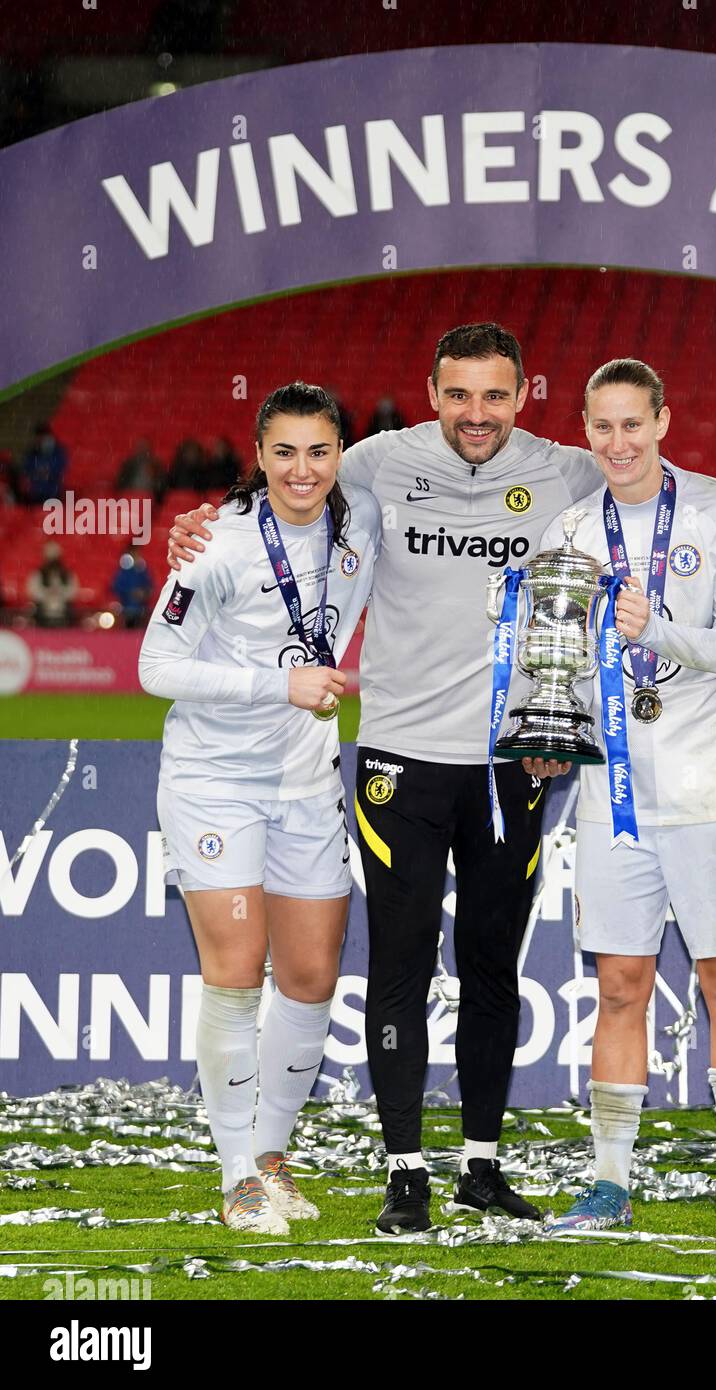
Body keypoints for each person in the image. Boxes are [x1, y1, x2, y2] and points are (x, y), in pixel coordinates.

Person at [166, 324, 601, 1235]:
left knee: (487, 969)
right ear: (431, 391)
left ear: (524, 394)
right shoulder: (372, 467)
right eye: (457, 394)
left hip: (507, 760)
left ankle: (480, 1165)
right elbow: (282, 498)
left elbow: (654, 498)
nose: (475, 414)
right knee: (390, 968)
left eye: (494, 396)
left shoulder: (567, 469)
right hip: (395, 758)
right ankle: (395, 1172)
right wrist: (189, 528)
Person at [533, 360, 716, 1240]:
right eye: (602, 427)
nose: (619, 444)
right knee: (622, 983)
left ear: (664, 421)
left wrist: (655, 628)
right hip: (614, 794)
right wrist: (547, 739)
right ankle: (608, 1181)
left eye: (633, 425)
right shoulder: (568, 531)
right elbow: (554, 664)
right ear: (586, 429)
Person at [140, 382, 381, 1233]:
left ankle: (272, 1159)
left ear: (341, 454)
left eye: (319, 450)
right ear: (259, 454)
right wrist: (278, 684)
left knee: (312, 977)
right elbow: (155, 668)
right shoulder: (216, 544)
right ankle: (236, 1175)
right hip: (214, 779)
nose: (302, 469)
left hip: (308, 779)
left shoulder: (365, 528)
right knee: (237, 970)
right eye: (284, 451)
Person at [27, 541, 78, 626]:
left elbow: (72, 592)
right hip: (43, 609)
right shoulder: (38, 574)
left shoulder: (67, 574)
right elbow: (32, 591)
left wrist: (60, 594)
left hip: (63, 608)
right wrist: (47, 595)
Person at [17, 423, 68, 505]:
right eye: (39, 437)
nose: (40, 440)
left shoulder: (58, 452)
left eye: (43, 437)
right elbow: (25, 470)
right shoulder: (32, 453)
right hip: (33, 495)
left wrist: (43, 471)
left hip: (52, 494)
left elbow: (59, 469)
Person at [111, 543, 155, 627]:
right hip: (126, 605)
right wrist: (130, 593)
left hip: (142, 607)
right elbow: (117, 587)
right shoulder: (123, 571)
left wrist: (144, 593)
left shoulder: (143, 571)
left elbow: (150, 587)